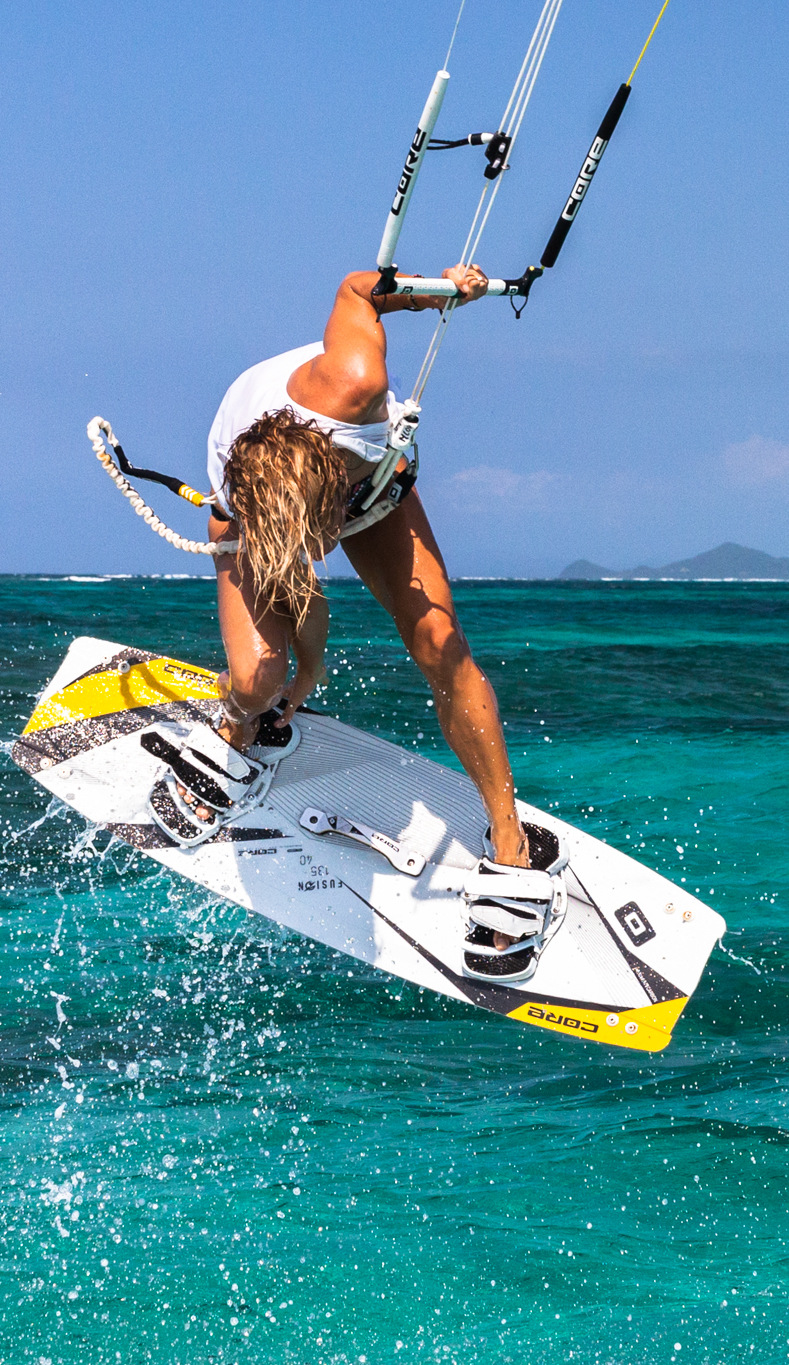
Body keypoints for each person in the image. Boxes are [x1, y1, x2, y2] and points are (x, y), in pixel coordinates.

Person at [154, 264, 560, 983]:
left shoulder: (355, 384)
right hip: (262, 511)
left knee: (440, 643)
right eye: (314, 544)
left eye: (323, 534)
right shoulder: (249, 505)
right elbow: (308, 600)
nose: (323, 552)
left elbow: (357, 287)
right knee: (258, 676)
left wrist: (442, 289)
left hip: (371, 484)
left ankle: (512, 844)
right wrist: (302, 674)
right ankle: (235, 731)